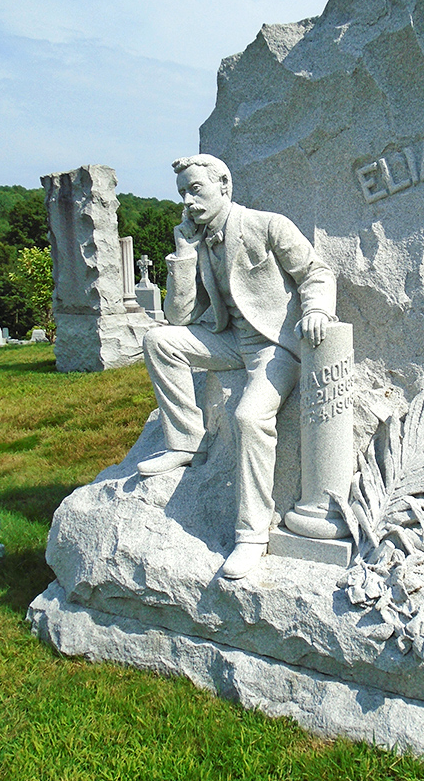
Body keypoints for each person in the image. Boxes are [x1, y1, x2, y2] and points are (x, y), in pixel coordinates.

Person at [138, 154, 336, 579]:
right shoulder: (197, 240)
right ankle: (186, 442)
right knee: (158, 340)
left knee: (248, 417)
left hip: (273, 347)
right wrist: (185, 257)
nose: (188, 203)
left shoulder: (267, 224)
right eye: (182, 195)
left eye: (196, 190)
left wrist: (317, 310)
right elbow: (179, 317)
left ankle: (252, 535)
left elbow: (315, 271)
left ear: (224, 186)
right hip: (229, 341)